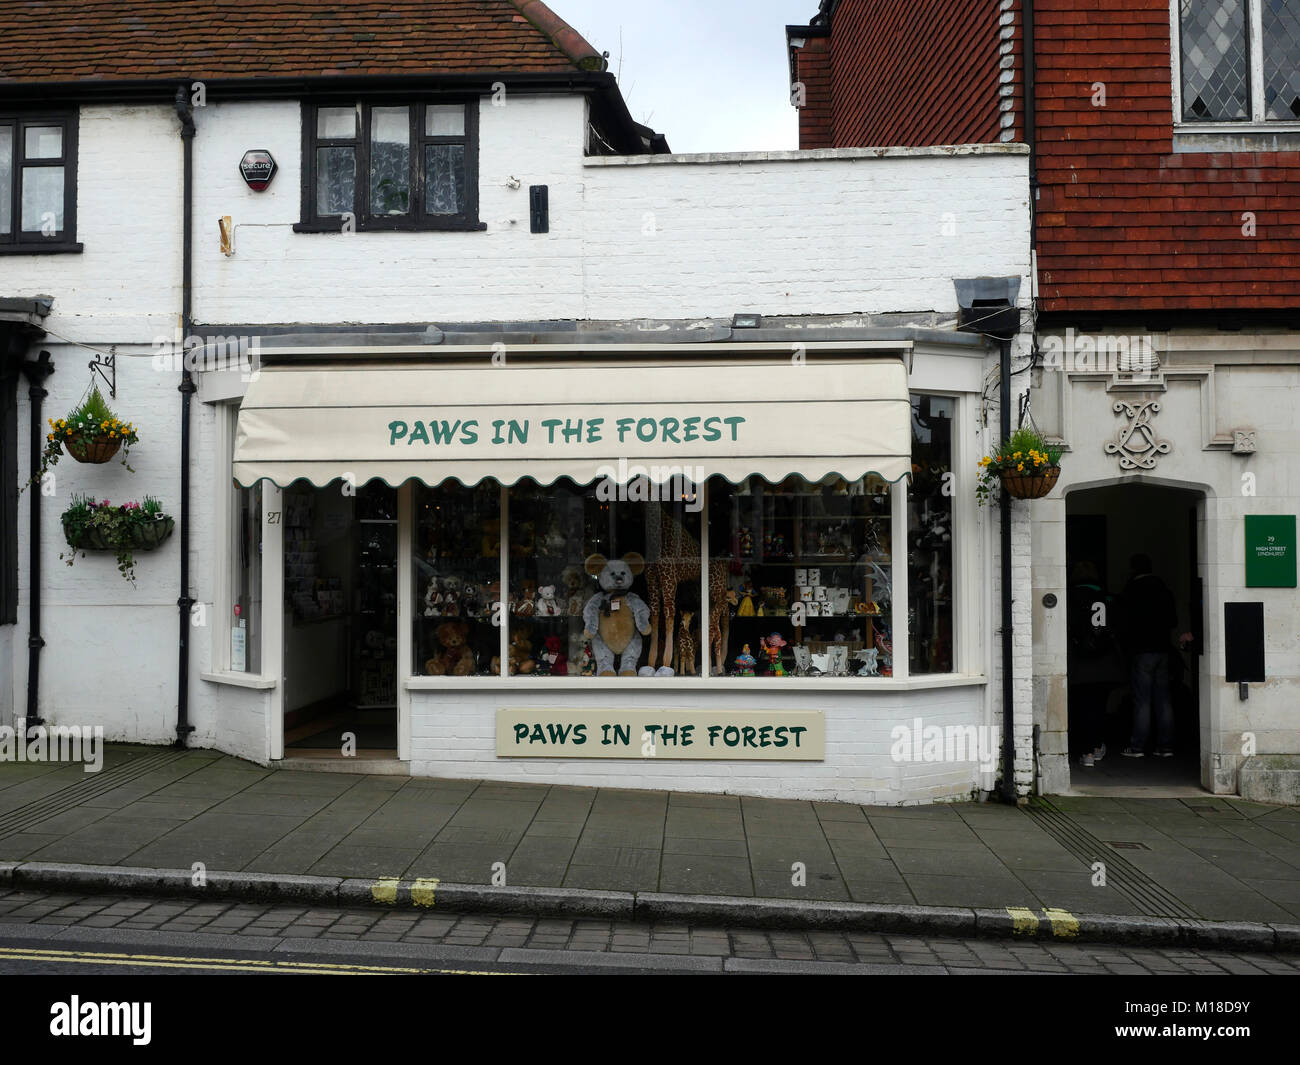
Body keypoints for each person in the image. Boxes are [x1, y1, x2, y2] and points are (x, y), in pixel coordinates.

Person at [1119, 554, 1190, 758]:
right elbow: (1173, 621)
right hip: (1163, 648)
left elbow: (1125, 621)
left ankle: (1138, 746)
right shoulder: (1163, 589)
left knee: (1142, 700)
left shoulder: (1132, 590)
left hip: (1142, 651)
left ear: (1134, 569)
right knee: (1163, 699)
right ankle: (1165, 746)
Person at [1066, 561, 1118, 767]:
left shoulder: (1070, 596)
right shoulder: (1107, 597)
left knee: (1081, 707)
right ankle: (1097, 746)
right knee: (1098, 707)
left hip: (1080, 663)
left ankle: (1086, 751)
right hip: (1105, 663)